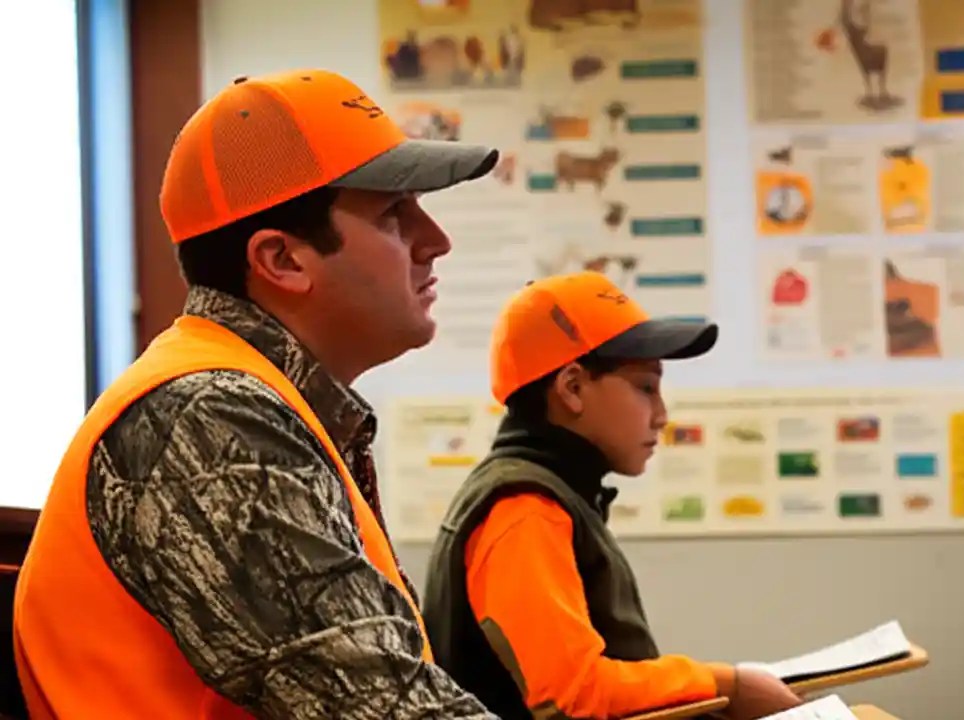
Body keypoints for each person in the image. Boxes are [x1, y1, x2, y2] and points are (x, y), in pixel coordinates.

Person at [13, 68, 504, 719]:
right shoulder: (212, 420)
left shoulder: (246, 400)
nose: (436, 241)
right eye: (394, 213)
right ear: (282, 260)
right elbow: (382, 708)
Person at [422, 271, 805, 720]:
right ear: (573, 388)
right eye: (646, 388)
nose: (662, 415)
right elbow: (573, 697)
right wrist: (726, 686)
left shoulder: (556, 494)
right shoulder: (524, 510)